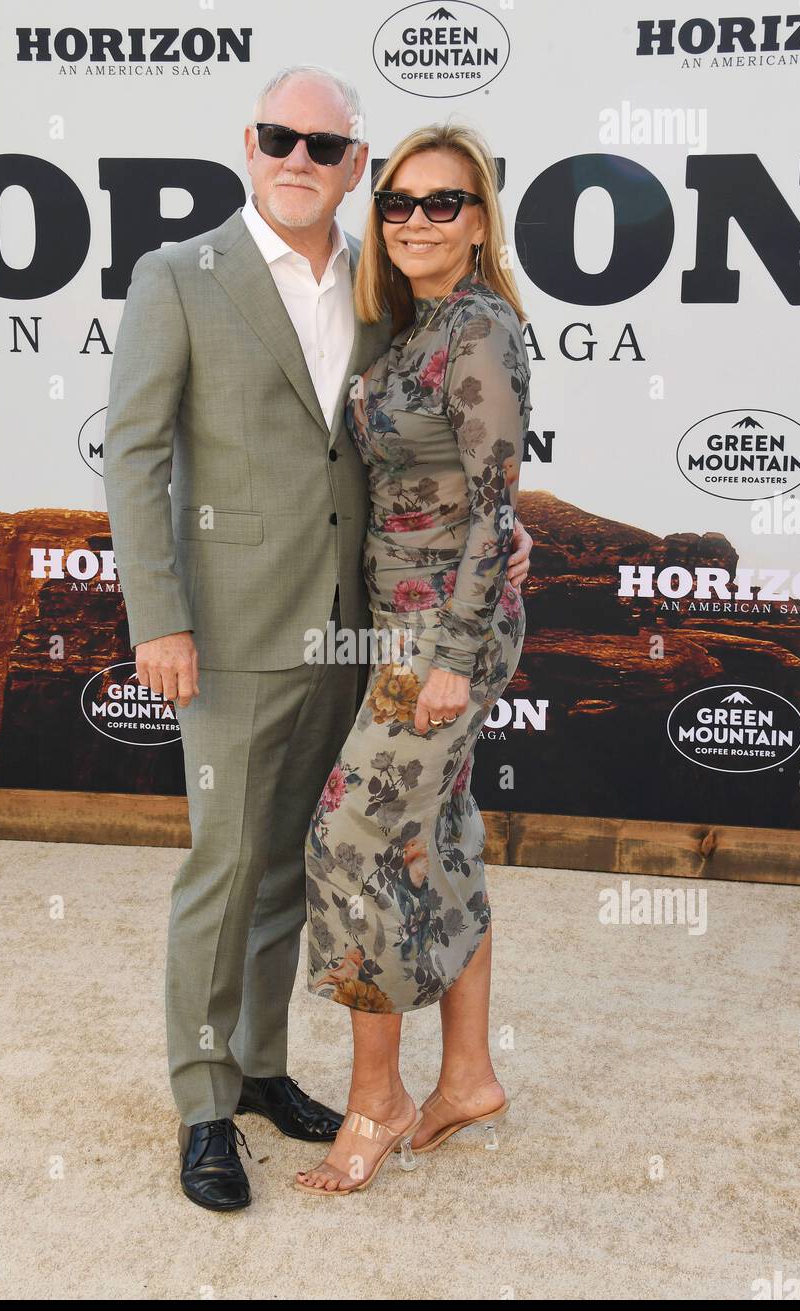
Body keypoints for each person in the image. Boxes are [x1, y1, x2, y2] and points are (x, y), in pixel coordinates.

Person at [103, 66, 533, 1213]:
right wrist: (161, 617)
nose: (298, 157)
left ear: (353, 160)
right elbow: (133, 455)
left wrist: (488, 568)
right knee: (223, 868)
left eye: (324, 144)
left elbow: (452, 456)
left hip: (370, 630)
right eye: (277, 136)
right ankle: (203, 1097)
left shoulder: (381, 285)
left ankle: (256, 1066)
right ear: (249, 144)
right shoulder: (177, 275)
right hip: (234, 628)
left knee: (306, 863)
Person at [297, 120, 532, 1194]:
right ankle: (469, 1075)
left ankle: (375, 1099)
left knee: (351, 839)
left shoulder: (477, 327)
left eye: (442, 203)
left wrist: (452, 651)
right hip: (395, 620)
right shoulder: (410, 321)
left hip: (441, 633)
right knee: (436, 838)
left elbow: (492, 502)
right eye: (396, 202)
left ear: (477, 222)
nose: (415, 221)